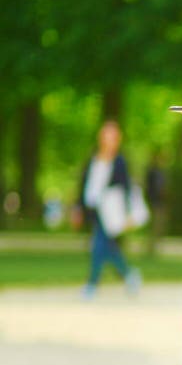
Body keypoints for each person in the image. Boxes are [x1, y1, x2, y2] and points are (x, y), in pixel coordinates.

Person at [76, 120, 141, 297]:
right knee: (108, 248)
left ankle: (92, 284)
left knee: (99, 246)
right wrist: (78, 207)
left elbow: (126, 188)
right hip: (94, 209)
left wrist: (128, 213)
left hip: (110, 212)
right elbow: (83, 184)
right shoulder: (93, 158)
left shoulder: (120, 161)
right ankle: (128, 275)